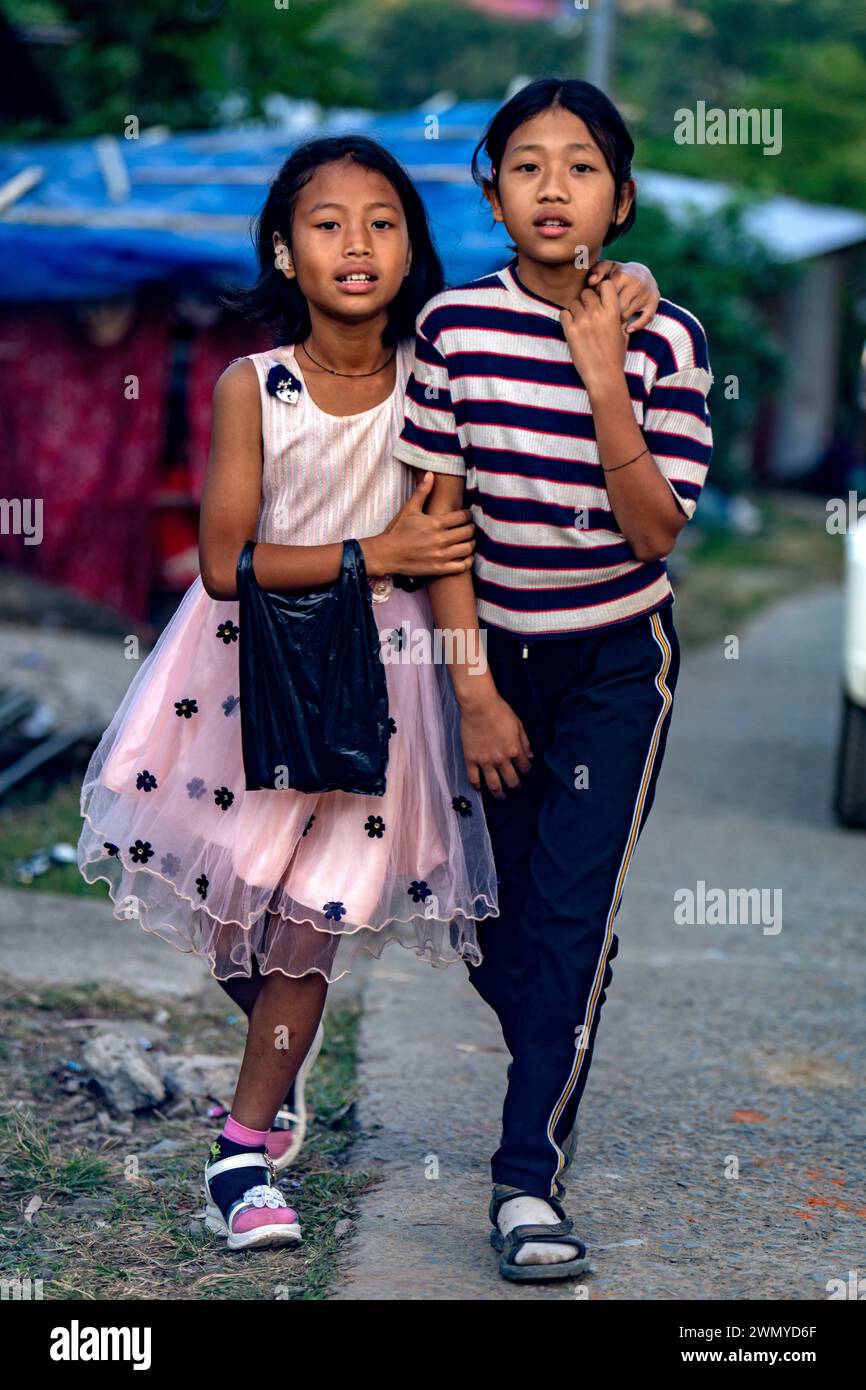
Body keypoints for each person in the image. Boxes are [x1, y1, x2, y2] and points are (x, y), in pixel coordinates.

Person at [77, 131, 661, 1255]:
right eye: (327, 224)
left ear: (414, 248)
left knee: (311, 921)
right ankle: (282, 1061)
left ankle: (239, 1153)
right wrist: (371, 549)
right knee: (229, 909)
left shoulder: (435, 366)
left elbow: (446, 539)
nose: (356, 243)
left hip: (384, 686)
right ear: (284, 253)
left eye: (383, 223)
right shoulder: (258, 385)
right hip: (241, 672)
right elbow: (220, 560)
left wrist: (628, 280)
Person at [392, 78, 714, 1282]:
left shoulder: (664, 336)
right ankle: (567, 994)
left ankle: (525, 1183)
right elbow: (439, 517)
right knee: (486, 917)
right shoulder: (454, 331)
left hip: (617, 661)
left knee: (566, 919)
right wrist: (473, 694)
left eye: (579, 166)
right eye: (525, 164)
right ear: (490, 192)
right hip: (488, 654)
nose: (551, 187)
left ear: (618, 199)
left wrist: (596, 368)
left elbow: (653, 531)